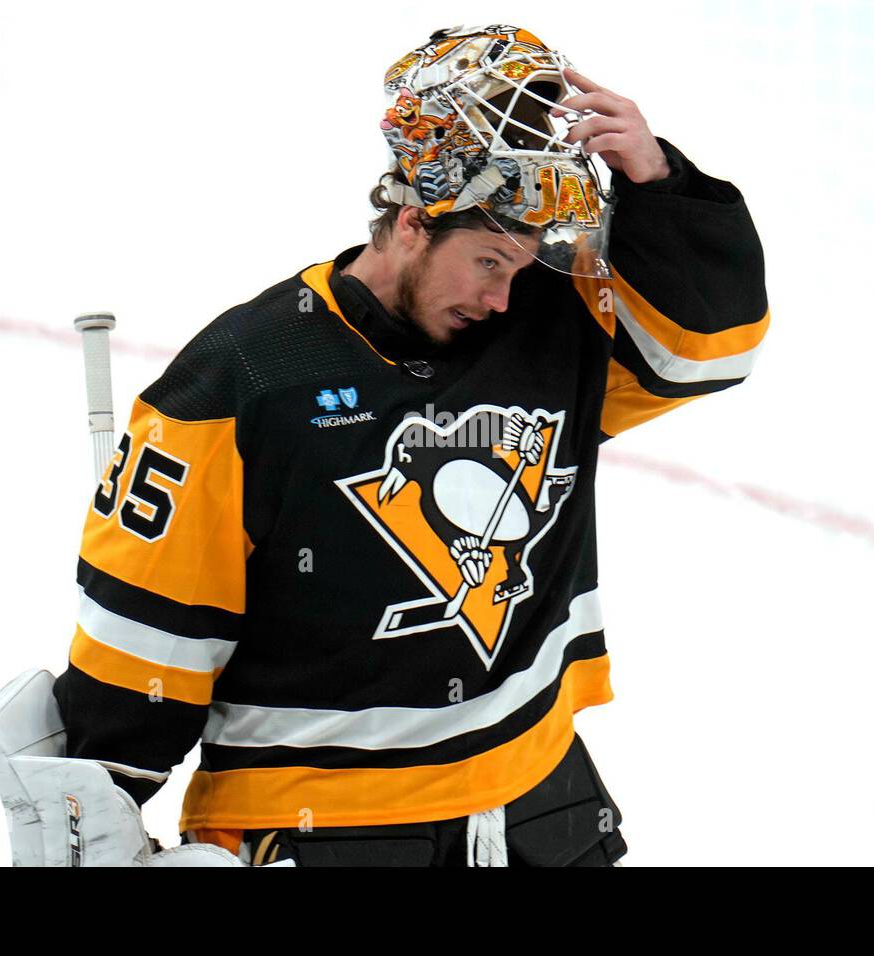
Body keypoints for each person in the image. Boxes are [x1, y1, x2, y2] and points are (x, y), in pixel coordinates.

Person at [50, 23, 770, 867]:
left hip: (538, 799)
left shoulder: (546, 321)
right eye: (488, 261)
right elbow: (149, 644)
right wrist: (95, 806)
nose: (504, 298)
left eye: (523, 264)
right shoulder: (240, 382)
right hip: (322, 824)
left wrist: (661, 185)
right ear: (411, 221)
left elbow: (706, 353)